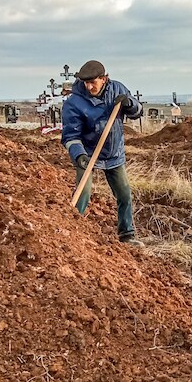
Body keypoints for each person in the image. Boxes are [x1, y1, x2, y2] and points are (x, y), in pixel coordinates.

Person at [61, 60, 145, 247]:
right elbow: (70, 136)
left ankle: (127, 235)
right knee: (83, 193)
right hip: (88, 153)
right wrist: (79, 155)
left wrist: (129, 103)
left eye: (93, 82)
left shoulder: (117, 89)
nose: (89, 86)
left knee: (124, 194)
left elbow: (138, 112)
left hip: (113, 153)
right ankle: (72, 236)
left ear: (104, 79)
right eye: (86, 83)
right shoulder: (74, 103)